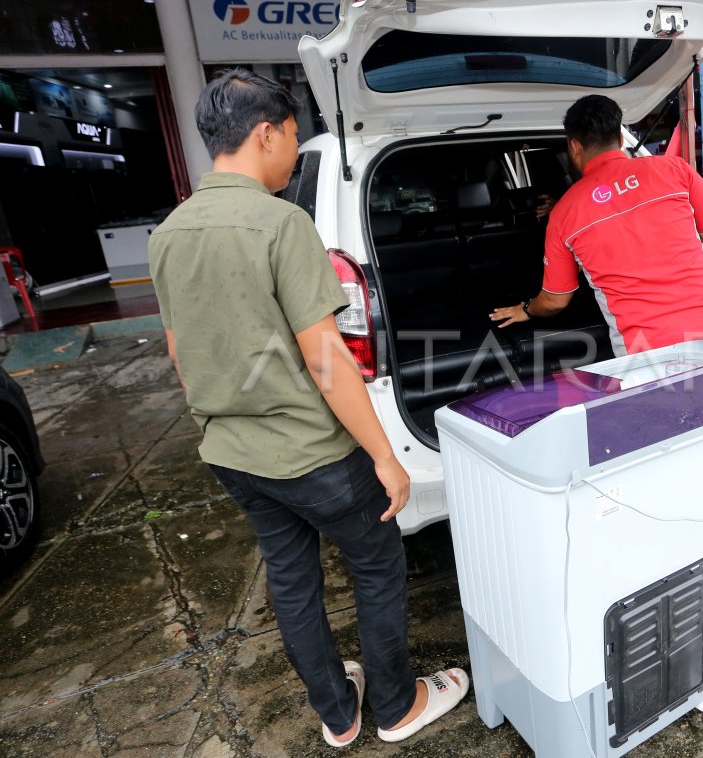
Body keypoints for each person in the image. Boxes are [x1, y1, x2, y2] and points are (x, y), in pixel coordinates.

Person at [148, 69, 467, 748]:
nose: (294, 150)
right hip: (314, 457)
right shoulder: (281, 223)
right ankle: (396, 704)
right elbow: (328, 362)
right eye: (293, 136)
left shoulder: (168, 233)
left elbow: (180, 357)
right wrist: (386, 457)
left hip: (234, 457)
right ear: (265, 134)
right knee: (379, 564)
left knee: (292, 578)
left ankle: (338, 712)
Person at [489, 94, 703, 356]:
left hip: (644, 353)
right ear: (620, 139)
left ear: (574, 147)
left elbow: (554, 301)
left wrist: (526, 309)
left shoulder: (564, 213)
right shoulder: (673, 169)